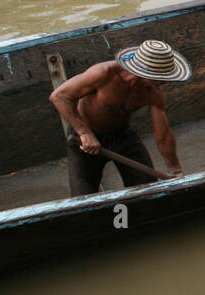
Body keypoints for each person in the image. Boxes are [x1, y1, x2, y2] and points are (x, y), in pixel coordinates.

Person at [49, 39, 190, 196]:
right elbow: (59, 96)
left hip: (123, 137)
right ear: (144, 73)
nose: (165, 81)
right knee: (83, 198)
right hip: (84, 139)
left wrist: (175, 169)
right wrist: (84, 133)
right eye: (162, 77)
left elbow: (163, 135)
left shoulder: (154, 93)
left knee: (148, 192)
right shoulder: (104, 74)